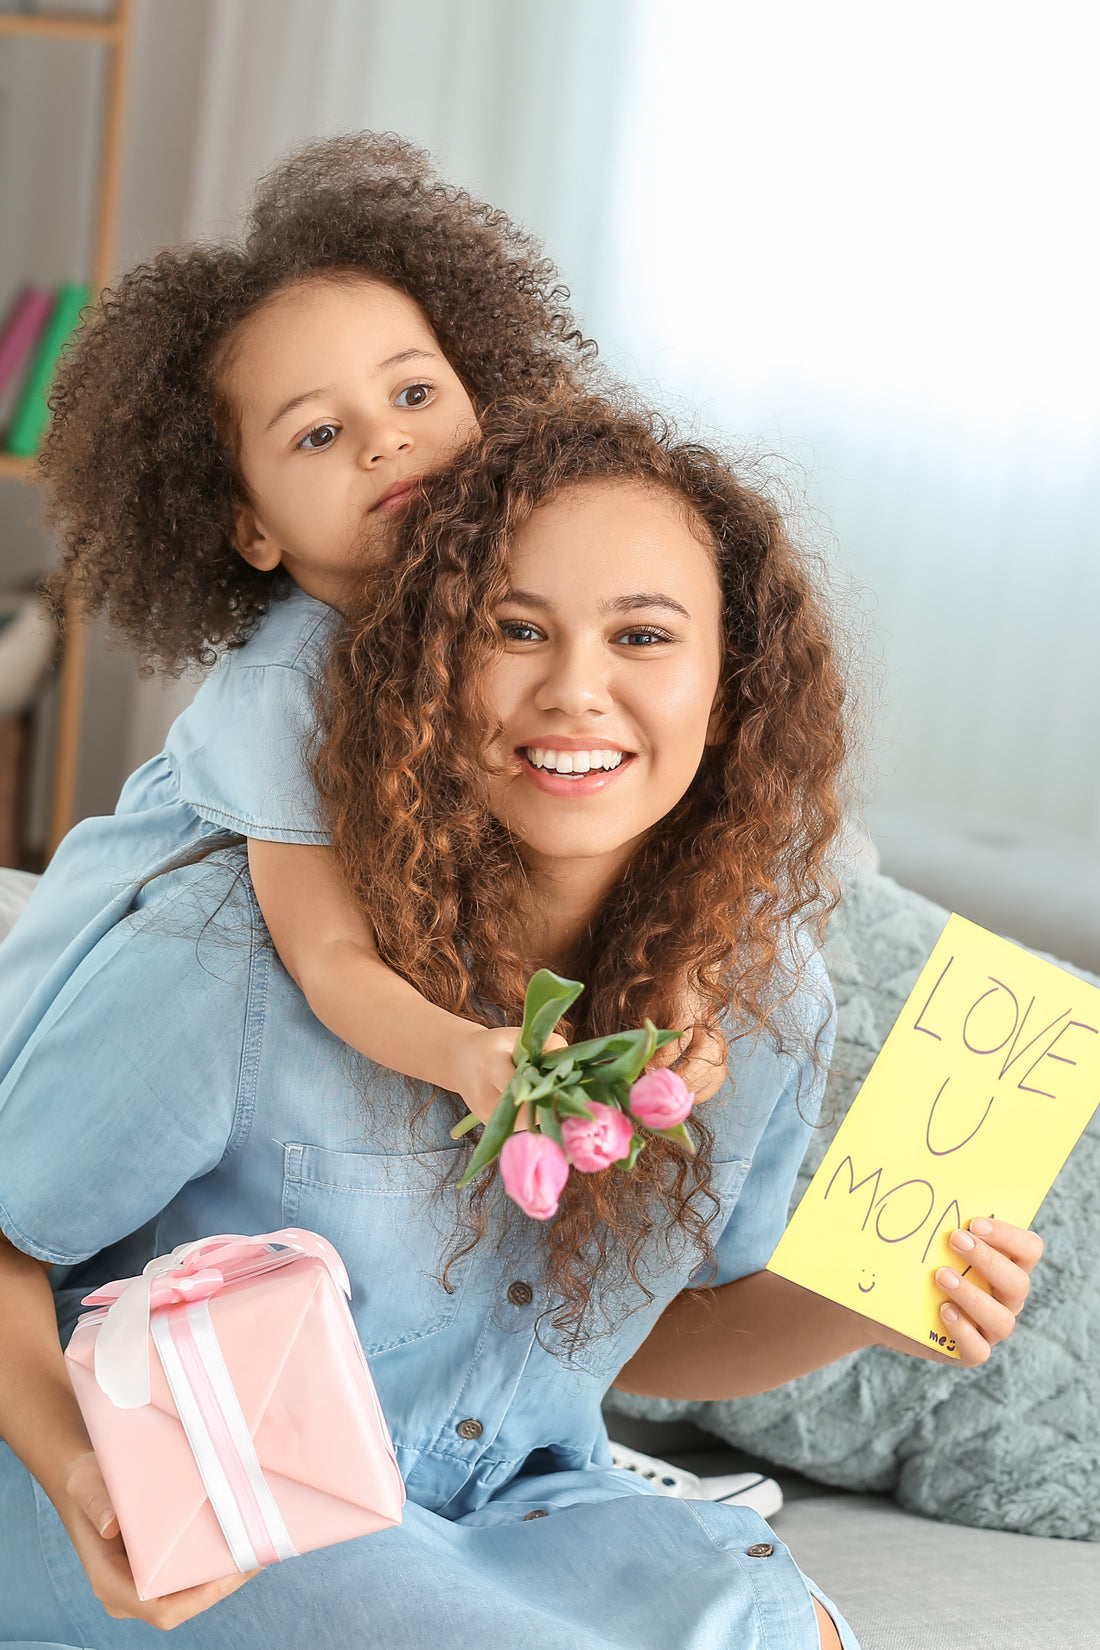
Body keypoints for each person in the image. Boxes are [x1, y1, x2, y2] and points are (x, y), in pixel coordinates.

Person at [0, 396, 1042, 1648]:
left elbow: (638, 1338)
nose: (574, 691)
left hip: (494, 1506)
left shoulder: (763, 998)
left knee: (774, 1626)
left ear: (727, 692)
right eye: (513, 629)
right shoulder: (237, 945)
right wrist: (77, 1473)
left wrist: (872, 1305)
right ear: (430, 666)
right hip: (187, 1496)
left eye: (643, 636)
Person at [0, 130, 612, 1134]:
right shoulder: (290, 688)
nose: (386, 439)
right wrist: (463, 1050)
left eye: (414, 392)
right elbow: (323, 955)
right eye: (319, 434)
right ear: (246, 524)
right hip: (128, 963)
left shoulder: (517, 613)